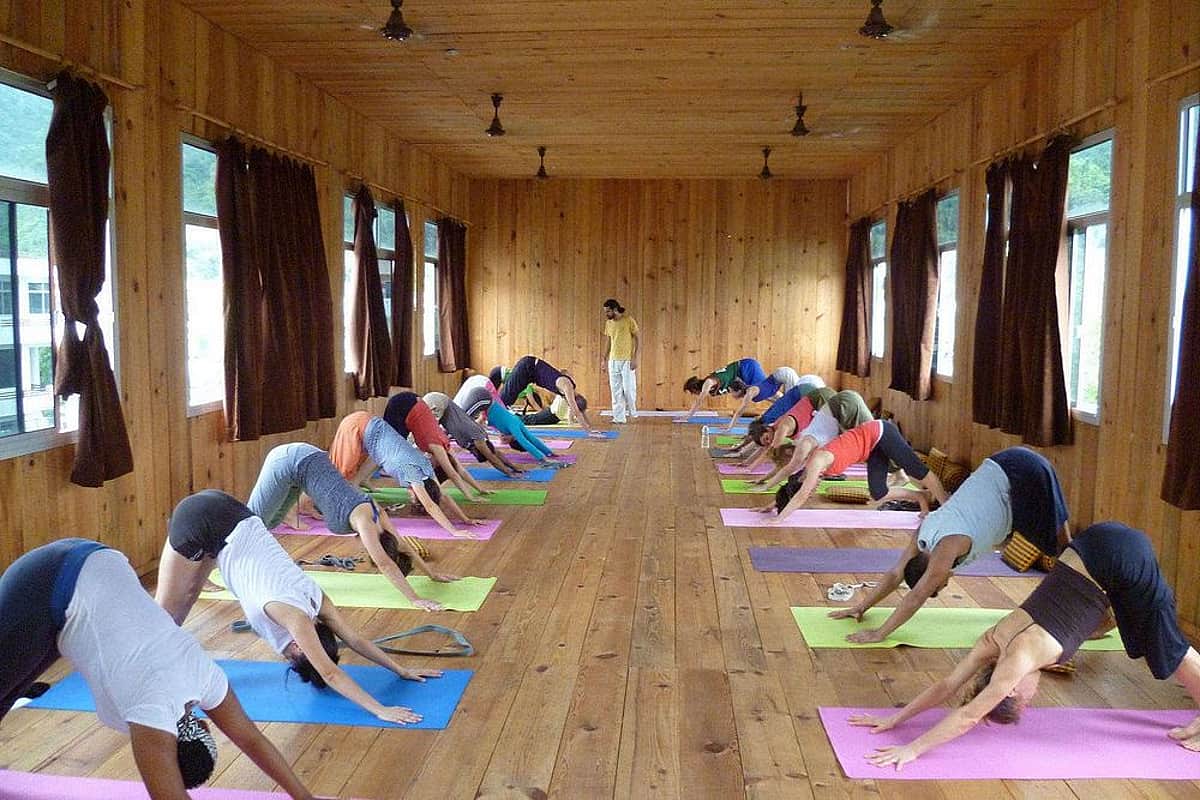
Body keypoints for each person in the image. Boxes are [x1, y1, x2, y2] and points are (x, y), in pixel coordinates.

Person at [850, 522, 1200, 770]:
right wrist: (895, 718)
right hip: (1091, 547)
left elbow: (968, 714)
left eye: (1027, 699)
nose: (1034, 694)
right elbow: (946, 687)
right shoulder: (994, 640)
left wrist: (912, 749)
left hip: (1120, 556)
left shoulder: (1017, 662)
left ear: (1011, 689)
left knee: (1169, 649)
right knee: (1142, 642)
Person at [1, 538, 318, 799]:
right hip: (51, 580)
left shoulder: (205, 678)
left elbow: (252, 740)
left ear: (204, 728)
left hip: (96, 562)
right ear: (166, 751)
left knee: (9, 690)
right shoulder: (152, 718)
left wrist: (303, 796)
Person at [155, 491, 443, 727]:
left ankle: (163, 665)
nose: (286, 656)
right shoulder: (295, 619)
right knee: (166, 616)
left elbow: (355, 640)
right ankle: (146, 668)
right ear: (300, 649)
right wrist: (380, 709)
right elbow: (329, 673)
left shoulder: (317, 600)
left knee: (191, 593)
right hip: (201, 519)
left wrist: (400, 670)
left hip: (228, 514)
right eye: (293, 658)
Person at [828, 446, 1071, 643]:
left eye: (939, 585)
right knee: (1055, 544)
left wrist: (880, 633)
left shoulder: (946, 548)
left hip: (1021, 473)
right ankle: (1078, 600)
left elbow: (917, 595)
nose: (944, 584)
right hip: (1005, 464)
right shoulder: (926, 531)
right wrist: (862, 606)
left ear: (931, 573)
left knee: (1062, 552)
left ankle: (1085, 609)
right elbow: (896, 574)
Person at [247, 442, 457, 611]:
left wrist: (431, 573)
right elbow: (385, 563)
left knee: (270, 523)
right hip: (290, 460)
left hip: (306, 460)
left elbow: (402, 545)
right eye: (370, 553)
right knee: (249, 524)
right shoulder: (365, 522)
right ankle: (218, 563)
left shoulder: (378, 514)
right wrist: (415, 599)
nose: (366, 553)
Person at [328, 411, 481, 537]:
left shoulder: (427, 468)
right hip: (357, 425)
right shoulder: (412, 473)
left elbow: (443, 496)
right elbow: (430, 505)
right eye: (415, 498)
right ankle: (315, 504)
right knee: (339, 474)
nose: (412, 498)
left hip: (369, 427)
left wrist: (466, 520)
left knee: (352, 482)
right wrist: (454, 531)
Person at [763, 419, 949, 521]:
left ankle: (945, 506)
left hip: (880, 433)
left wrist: (779, 520)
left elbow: (800, 494)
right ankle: (920, 497)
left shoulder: (815, 464)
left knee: (917, 471)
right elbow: (790, 488)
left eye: (811, 489)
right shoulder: (804, 474)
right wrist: (772, 505)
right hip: (872, 448)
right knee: (878, 492)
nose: (814, 489)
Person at [750, 389, 874, 490]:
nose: (794, 463)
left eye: (766, 438)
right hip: (839, 409)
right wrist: (765, 480)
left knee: (873, 442)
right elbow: (784, 467)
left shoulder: (801, 444)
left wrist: (765, 485)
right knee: (867, 445)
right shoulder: (803, 448)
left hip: (843, 404)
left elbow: (788, 468)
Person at [383, 392, 490, 501]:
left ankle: (364, 478)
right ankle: (365, 476)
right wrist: (470, 497)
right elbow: (453, 474)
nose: (429, 463)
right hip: (404, 404)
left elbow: (459, 470)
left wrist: (479, 489)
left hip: (412, 405)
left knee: (389, 446)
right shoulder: (437, 447)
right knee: (387, 446)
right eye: (432, 465)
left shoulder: (447, 447)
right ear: (438, 465)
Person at [422, 391, 527, 478]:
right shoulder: (478, 439)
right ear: (479, 449)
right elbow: (492, 458)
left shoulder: (472, 441)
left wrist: (514, 467)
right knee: (422, 438)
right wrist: (509, 473)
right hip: (437, 402)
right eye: (476, 454)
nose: (473, 454)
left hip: (439, 403)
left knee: (427, 439)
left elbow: (495, 452)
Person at [741, 386, 837, 474]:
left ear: (767, 428)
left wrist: (750, 468)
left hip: (820, 396)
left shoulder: (781, 428)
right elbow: (766, 448)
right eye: (767, 442)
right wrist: (747, 462)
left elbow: (769, 451)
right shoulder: (774, 429)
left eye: (767, 438)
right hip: (817, 400)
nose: (769, 441)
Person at [496, 355, 598, 433]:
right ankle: (488, 417)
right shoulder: (568, 388)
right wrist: (588, 431)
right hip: (527, 367)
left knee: (508, 400)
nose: (569, 405)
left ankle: (496, 417)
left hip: (529, 376)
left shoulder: (573, 389)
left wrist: (589, 426)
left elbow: (580, 411)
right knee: (504, 400)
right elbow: (576, 411)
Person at [678, 358, 773, 423]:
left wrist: (688, 416)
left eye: (692, 392)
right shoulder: (712, 388)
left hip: (746, 367)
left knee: (763, 392)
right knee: (760, 394)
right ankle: (782, 401)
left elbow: (699, 401)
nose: (694, 394)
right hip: (744, 371)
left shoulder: (708, 382)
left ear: (695, 388)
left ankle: (784, 401)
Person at [600, 298, 639, 423]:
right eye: (605, 312)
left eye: (608, 311)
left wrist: (634, 357)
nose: (606, 314)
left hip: (627, 360)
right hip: (613, 360)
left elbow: (637, 339)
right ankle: (619, 417)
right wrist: (604, 359)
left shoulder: (628, 320)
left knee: (628, 388)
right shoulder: (609, 323)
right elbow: (608, 341)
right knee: (615, 390)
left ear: (615, 310)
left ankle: (632, 411)